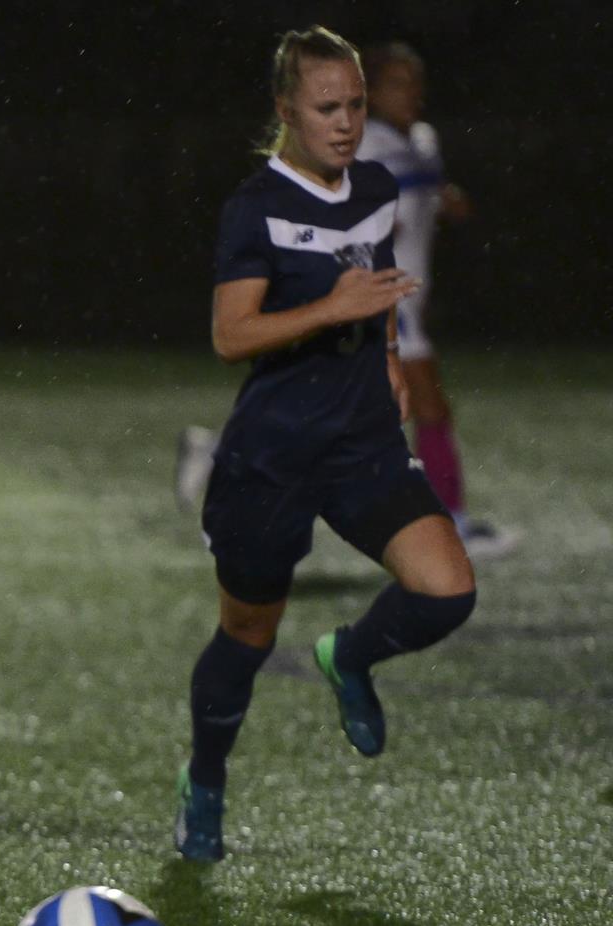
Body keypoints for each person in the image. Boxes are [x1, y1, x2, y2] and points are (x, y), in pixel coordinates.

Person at [174, 27, 478, 862]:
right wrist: (330, 310)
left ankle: (350, 655)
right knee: (246, 635)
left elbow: (373, 284)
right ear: (286, 111)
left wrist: (385, 353)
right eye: (325, 108)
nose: (345, 123)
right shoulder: (255, 208)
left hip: (361, 445)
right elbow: (232, 335)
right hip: (273, 453)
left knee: (448, 591)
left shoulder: (375, 186)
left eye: (353, 105)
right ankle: (205, 780)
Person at [356, 42, 517, 558]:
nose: (412, 94)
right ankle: (452, 525)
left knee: (352, 419)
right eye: (398, 83)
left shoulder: (423, 139)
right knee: (428, 407)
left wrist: (444, 199)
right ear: (372, 91)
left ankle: (223, 462)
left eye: (416, 82)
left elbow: (423, 192)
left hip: (408, 300)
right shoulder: (363, 143)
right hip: (383, 299)